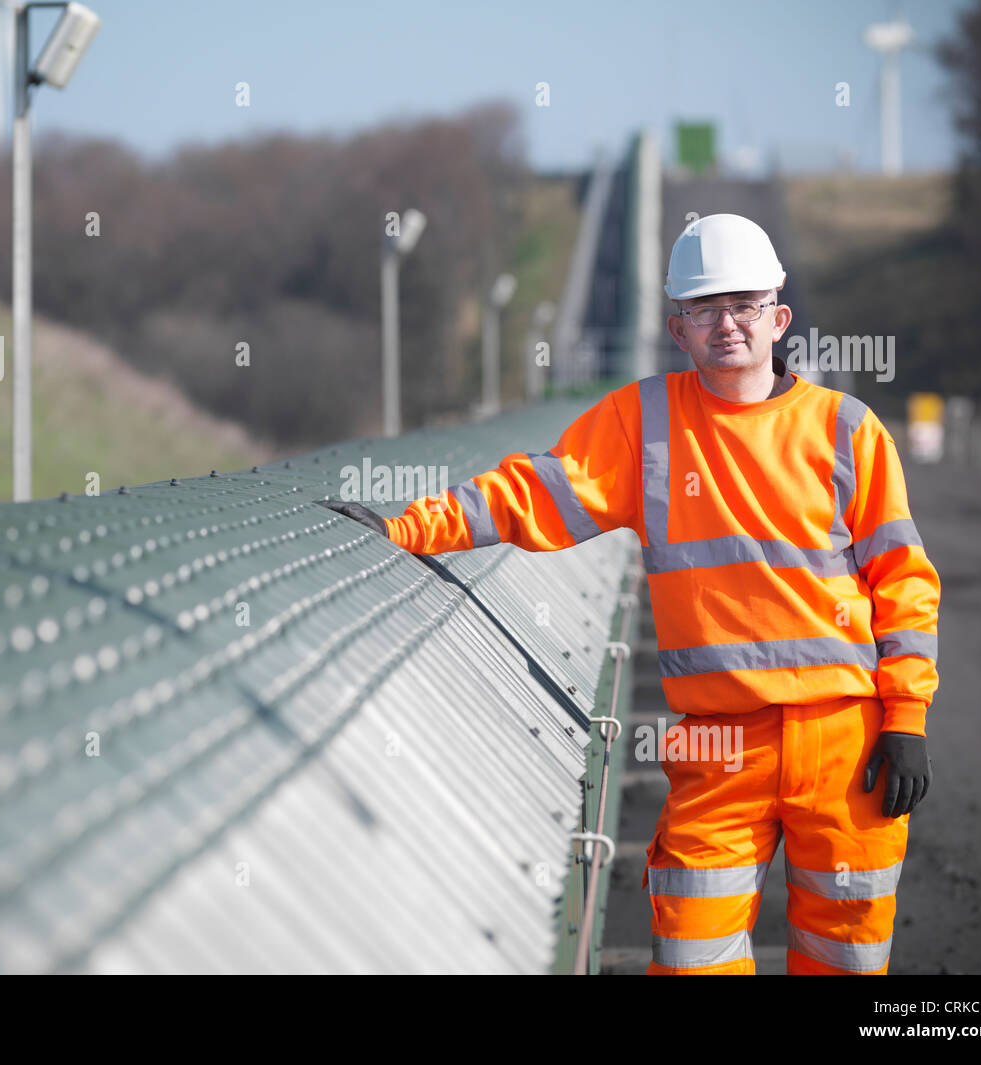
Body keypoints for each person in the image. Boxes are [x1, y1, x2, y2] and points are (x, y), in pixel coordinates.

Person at [317, 213, 938, 975]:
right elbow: (533, 493)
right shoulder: (644, 425)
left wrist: (907, 717)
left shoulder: (846, 430)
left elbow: (903, 581)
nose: (726, 325)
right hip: (718, 748)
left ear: (777, 318)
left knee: (846, 957)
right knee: (690, 958)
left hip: (848, 741)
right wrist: (408, 526)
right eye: (704, 309)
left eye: (743, 305)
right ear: (678, 329)